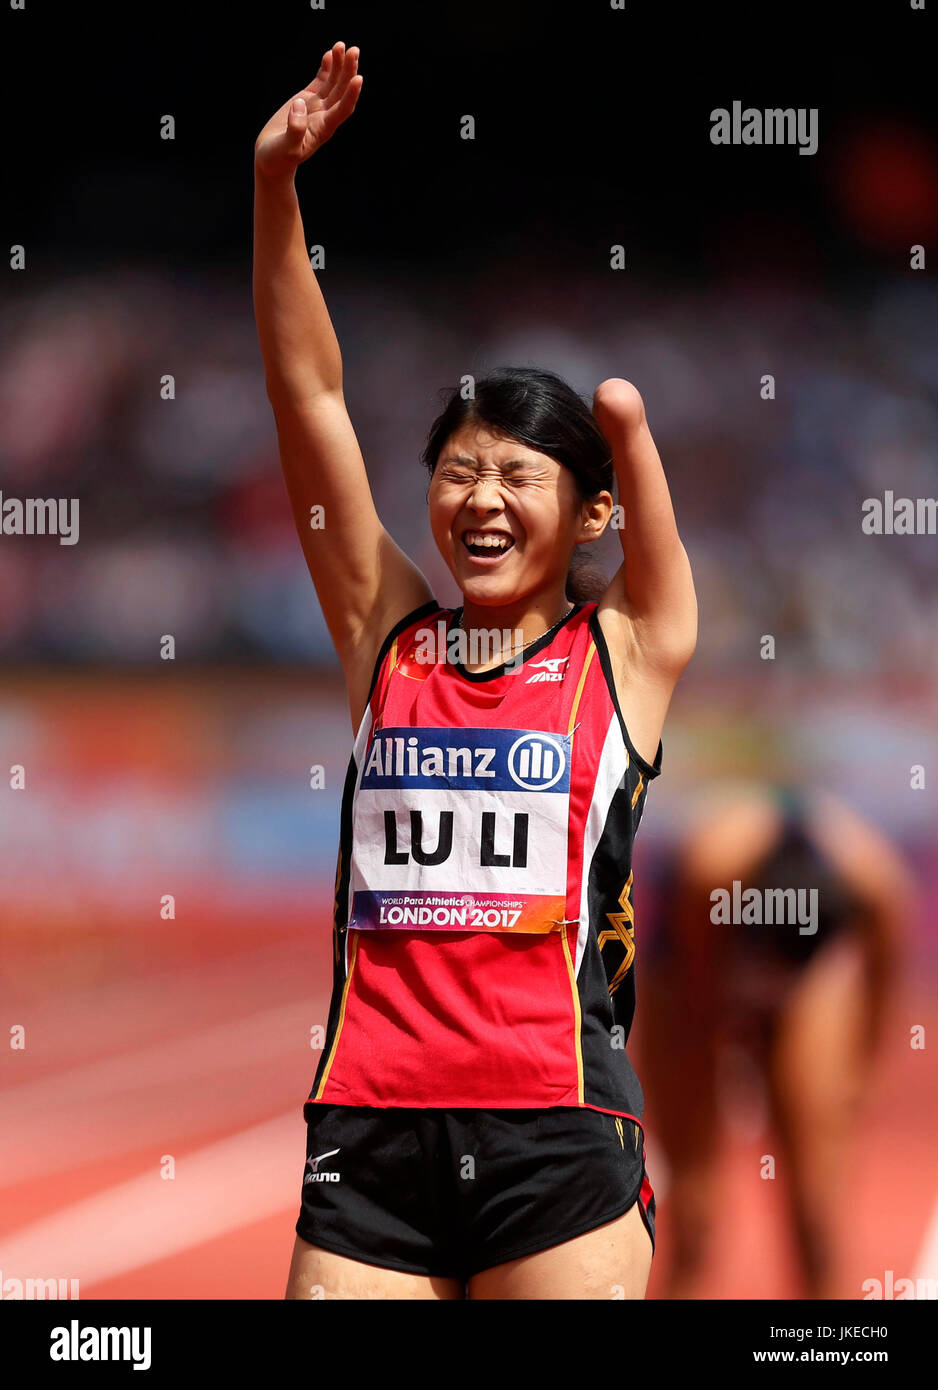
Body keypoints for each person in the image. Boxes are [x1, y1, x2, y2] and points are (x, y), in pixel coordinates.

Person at [253, 41, 697, 1299]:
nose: (480, 498)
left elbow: (657, 560)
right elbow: (308, 400)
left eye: (516, 474)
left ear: (587, 515)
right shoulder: (381, 632)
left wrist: (619, 425)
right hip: (368, 1135)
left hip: (557, 1134)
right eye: (456, 470)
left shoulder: (624, 655)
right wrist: (274, 188)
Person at [638, 783, 913, 1298]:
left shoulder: (875, 886)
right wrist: (725, 1066)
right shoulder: (708, 872)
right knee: (696, 1208)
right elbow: (697, 1002)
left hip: (812, 985)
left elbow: (880, 983)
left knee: (817, 1205)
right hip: (687, 968)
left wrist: (860, 1068)